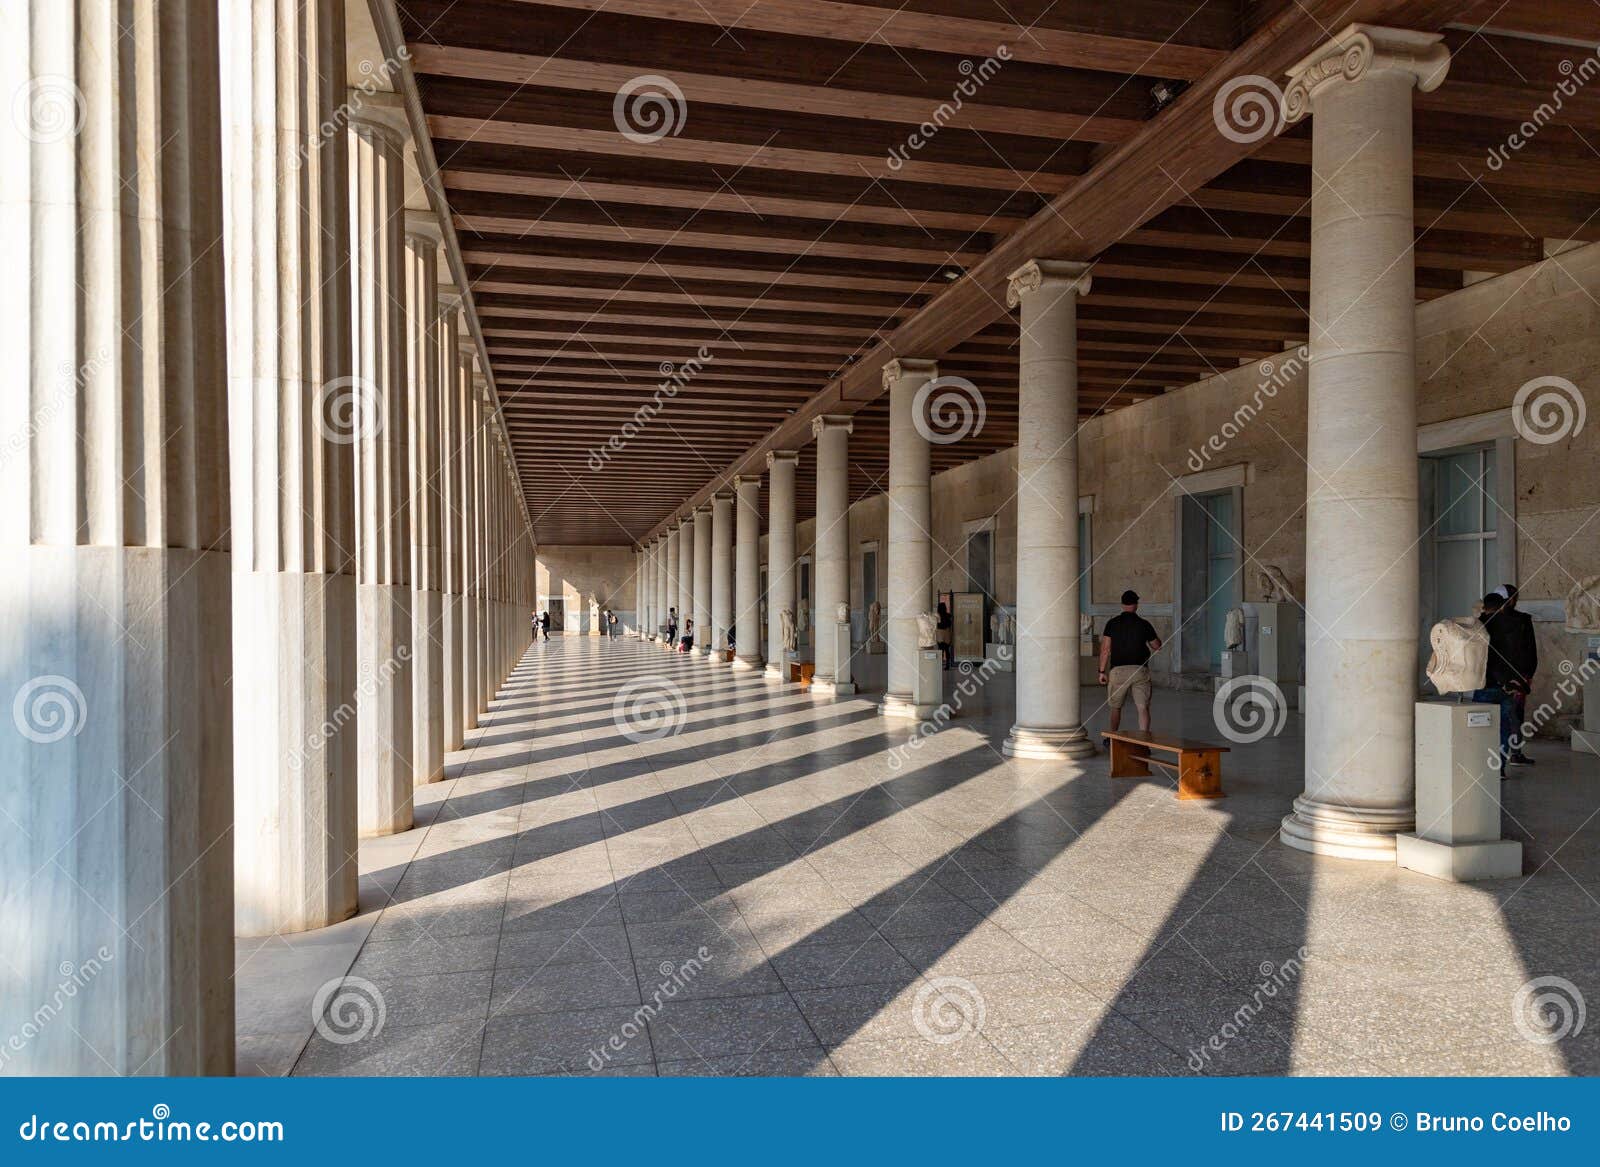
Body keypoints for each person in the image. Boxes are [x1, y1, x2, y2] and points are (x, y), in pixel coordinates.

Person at [1474, 591, 1527, 775]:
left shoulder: (1481, 626)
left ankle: (1481, 766)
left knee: (1481, 726)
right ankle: (1500, 768)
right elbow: (1520, 656)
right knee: (1504, 726)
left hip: (1486, 683)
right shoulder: (1515, 625)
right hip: (1508, 684)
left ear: (1484, 607)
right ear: (1503, 605)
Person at [1099, 589, 1162, 733]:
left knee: (1115, 707)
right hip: (1140, 670)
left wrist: (1101, 671)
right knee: (1142, 707)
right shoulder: (1144, 624)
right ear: (1136, 605)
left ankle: (1112, 738)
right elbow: (1156, 646)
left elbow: (1105, 650)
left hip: (1118, 671)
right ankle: (1144, 741)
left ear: (1122, 605)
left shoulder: (1112, 623)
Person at [1498, 584, 1538, 765]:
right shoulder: (1522, 620)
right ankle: (1515, 753)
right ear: (1512, 600)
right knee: (1515, 714)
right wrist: (1528, 673)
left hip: (1496, 676)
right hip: (1518, 675)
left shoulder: (1489, 620)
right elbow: (1530, 650)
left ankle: (1500, 759)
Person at [936, 601, 954, 670]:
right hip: (947, 633)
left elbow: (936, 625)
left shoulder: (937, 616)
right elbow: (950, 624)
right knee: (947, 650)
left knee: (941, 650)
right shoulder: (949, 615)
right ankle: (947, 665)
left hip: (940, 633)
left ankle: (940, 665)